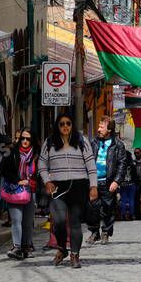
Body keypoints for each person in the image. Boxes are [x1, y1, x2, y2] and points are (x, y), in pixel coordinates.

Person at [40, 114, 97, 269]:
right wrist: (47, 181)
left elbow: (91, 166)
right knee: (58, 221)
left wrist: (93, 186)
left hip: (79, 186)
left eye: (68, 123)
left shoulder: (81, 141)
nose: (65, 126)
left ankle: (75, 255)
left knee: (75, 222)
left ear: (72, 125)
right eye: (62, 124)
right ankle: (62, 248)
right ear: (57, 126)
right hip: (58, 187)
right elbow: (42, 164)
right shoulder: (49, 142)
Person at [87, 116, 130, 245]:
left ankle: (105, 232)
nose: (99, 129)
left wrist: (116, 181)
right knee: (92, 208)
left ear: (109, 129)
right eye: (99, 126)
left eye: (101, 127)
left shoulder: (118, 145)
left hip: (108, 182)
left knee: (108, 209)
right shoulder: (93, 142)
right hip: (93, 182)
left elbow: (122, 164)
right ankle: (94, 233)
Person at [0, 128, 37, 260]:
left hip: (30, 191)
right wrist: (18, 180)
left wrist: (34, 181)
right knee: (17, 220)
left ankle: (26, 247)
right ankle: (17, 247)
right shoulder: (11, 152)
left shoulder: (36, 154)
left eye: (28, 139)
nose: (25, 141)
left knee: (27, 221)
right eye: (23, 138)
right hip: (14, 190)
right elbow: (3, 170)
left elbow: (41, 170)